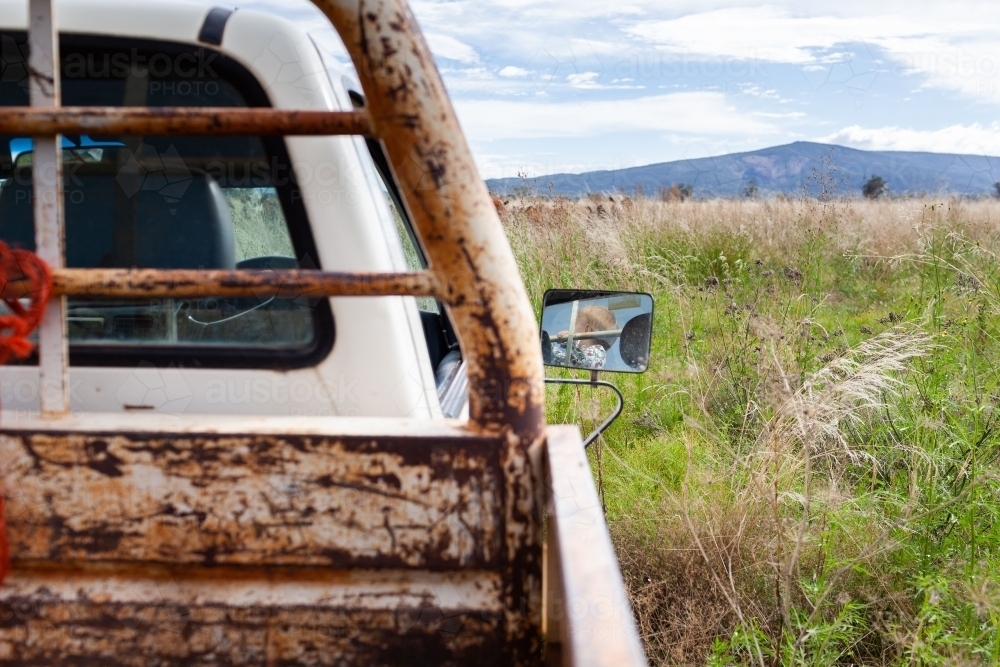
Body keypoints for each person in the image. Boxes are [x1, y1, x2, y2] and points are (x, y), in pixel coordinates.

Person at [544, 305, 617, 369]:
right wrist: (549, 346)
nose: (572, 329)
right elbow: (561, 360)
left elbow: (583, 361)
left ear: (587, 329)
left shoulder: (598, 351)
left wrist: (570, 341)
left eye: (575, 324)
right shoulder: (576, 353)